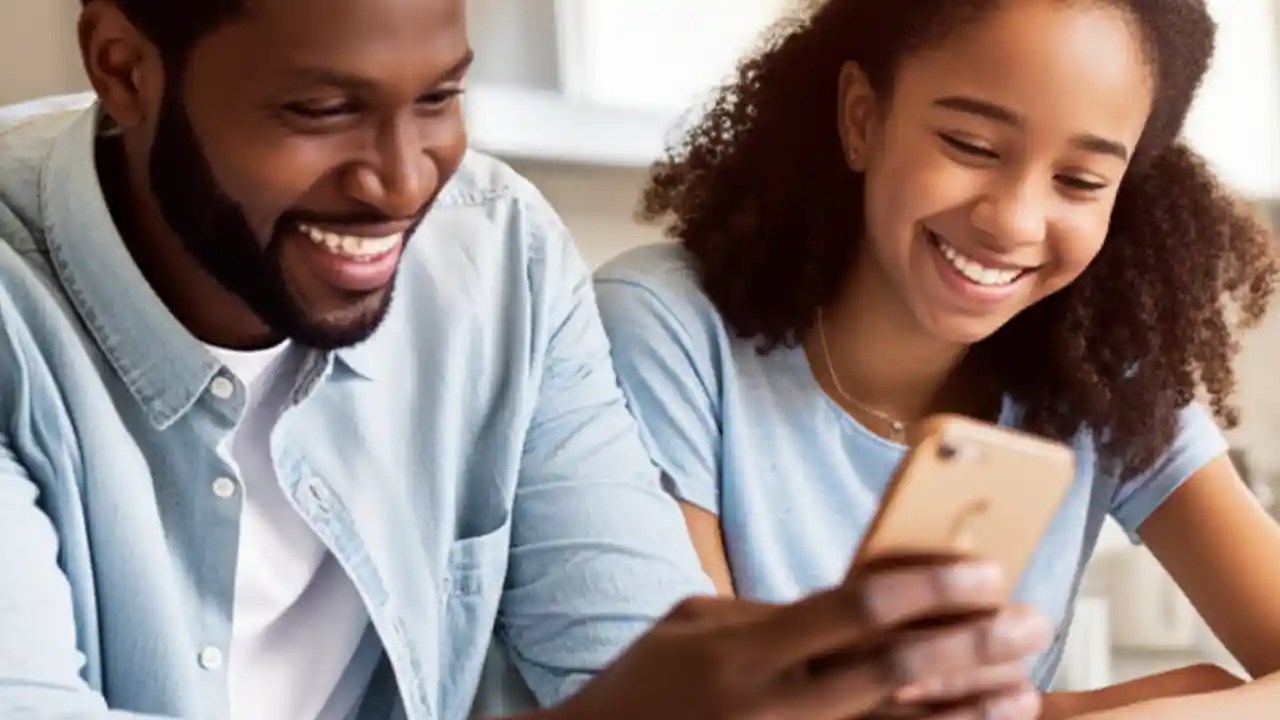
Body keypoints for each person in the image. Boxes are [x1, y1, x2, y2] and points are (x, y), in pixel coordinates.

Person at [0, 0, 1053, 718]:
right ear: (123, 68)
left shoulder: (494, 255)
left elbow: (626, 656)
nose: (403, 180)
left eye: (439, 99)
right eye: (320, 111)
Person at [596, 0, 1280, 717]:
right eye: (971, 145)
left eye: (1079, 182)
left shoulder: (1103, 372)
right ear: (861, 117)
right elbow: (688, 708)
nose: (1013, 220)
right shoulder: (666, 331)